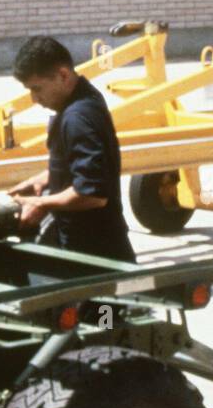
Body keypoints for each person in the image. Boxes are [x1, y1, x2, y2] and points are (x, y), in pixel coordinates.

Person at [7, 36, 136, 263]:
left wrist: (39, 203)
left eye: (37, 89)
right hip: (96, 244)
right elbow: (89, 163)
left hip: (95, 253)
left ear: (64, 75)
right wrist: (47, 177)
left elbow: (92, 195)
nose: (34, 99)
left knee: (103, 299)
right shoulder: (87, 97)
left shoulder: (77, 118)